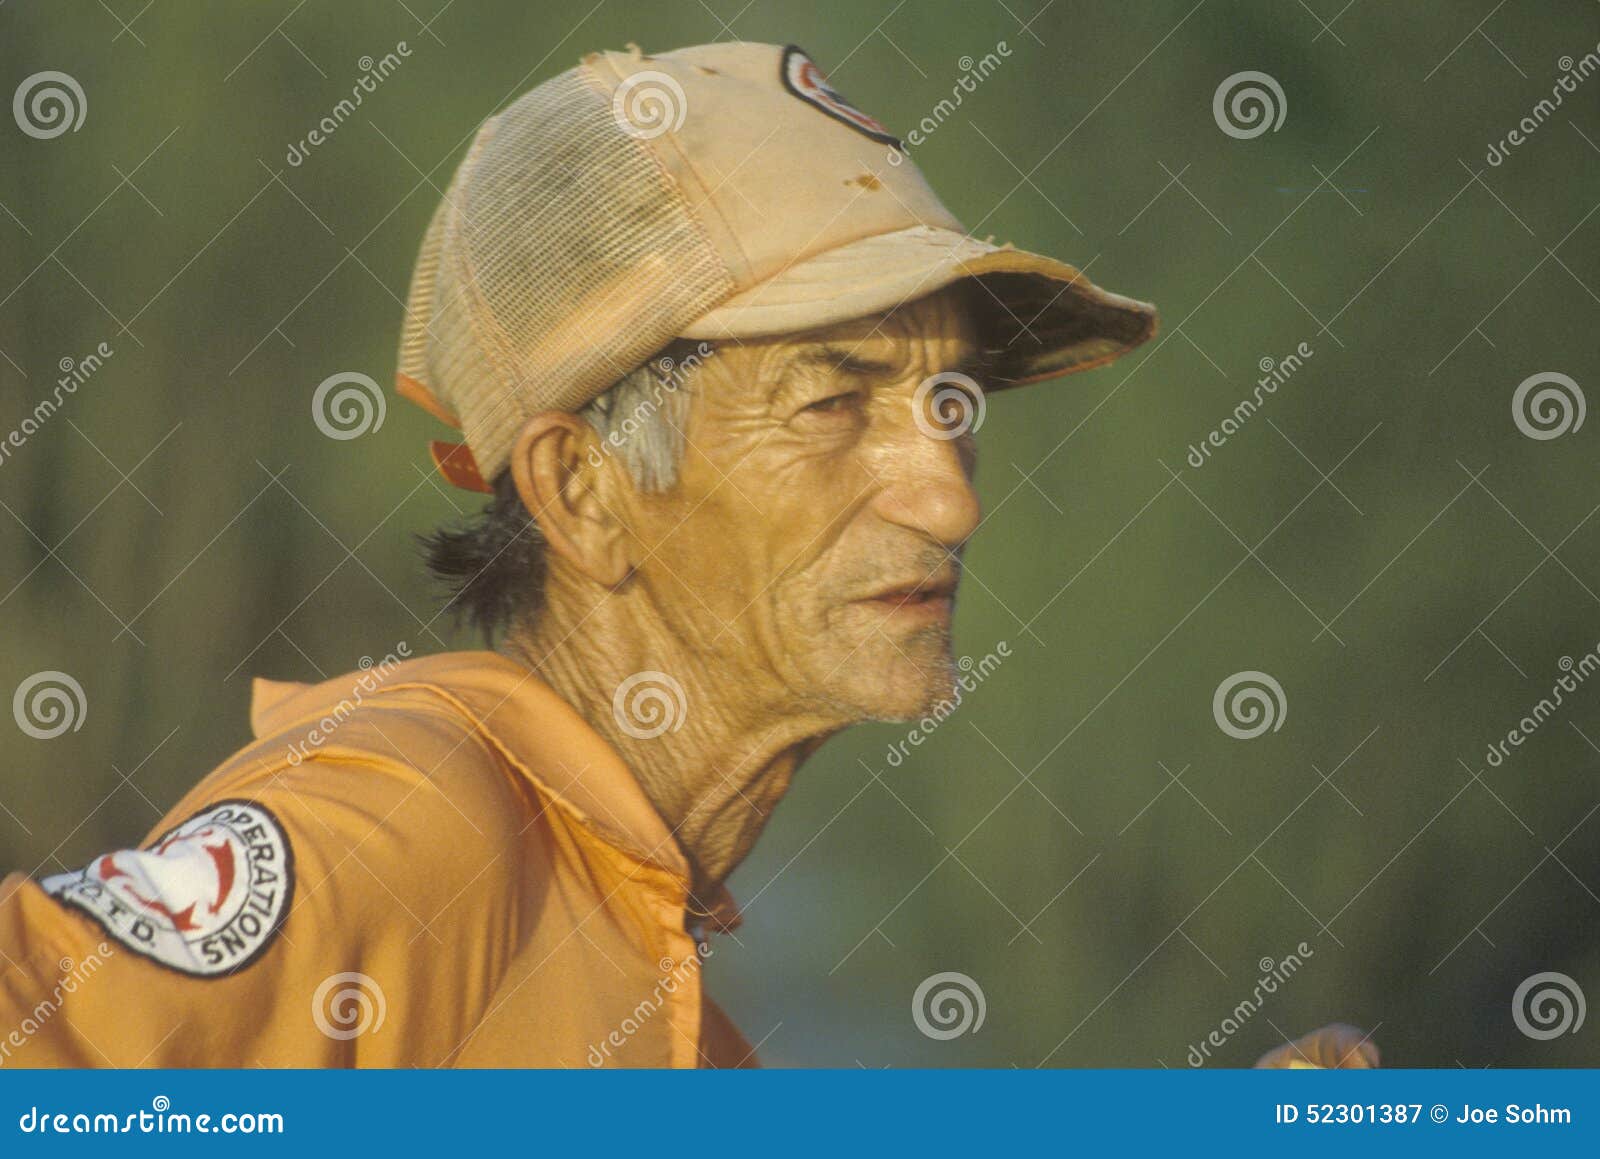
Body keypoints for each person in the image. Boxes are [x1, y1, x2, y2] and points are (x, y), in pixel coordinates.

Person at [0, 40, 1371, 1069]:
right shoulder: (413, 821)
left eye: (951, 406)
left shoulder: (683, 1028)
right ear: (582, 490)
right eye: (836, 404)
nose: (948, 502)